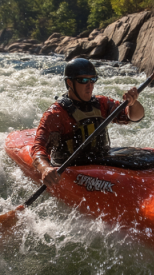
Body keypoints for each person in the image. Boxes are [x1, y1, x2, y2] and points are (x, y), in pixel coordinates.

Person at [31, 58, 144, 186]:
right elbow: (38, 148)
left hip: (100, 164)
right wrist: (44, 168)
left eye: (92, 80)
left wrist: (133, 104)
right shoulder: (56, 114)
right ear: (70, 82)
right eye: (84, 80)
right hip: (71, 168)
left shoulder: (102, 103)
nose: (90, 85)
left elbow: (133, 117)